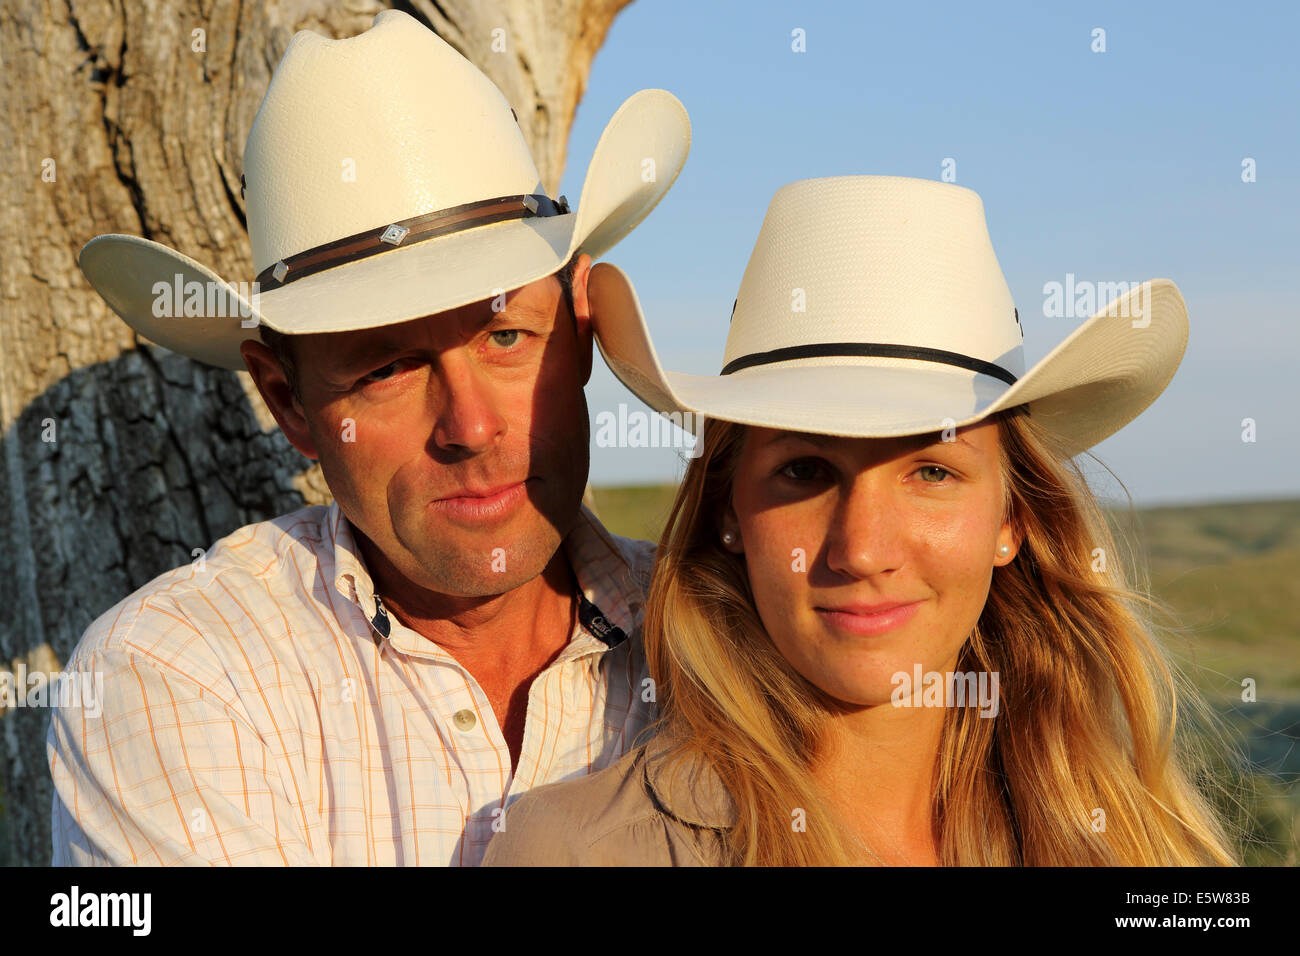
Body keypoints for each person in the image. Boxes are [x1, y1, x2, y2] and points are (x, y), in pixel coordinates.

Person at [47, 9, 690, 865]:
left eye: (506, 338)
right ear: (289, 403)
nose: (469, 427)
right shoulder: (176, 676)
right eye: (387, 369)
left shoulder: (716, 647)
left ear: (580, 329)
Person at [482, 175, 1243, 866]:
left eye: (932, 472)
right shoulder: (579, 852)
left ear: (1012, 518)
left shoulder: (1141, 851)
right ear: (728, 511)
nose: (863, 549)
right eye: (807, 472)